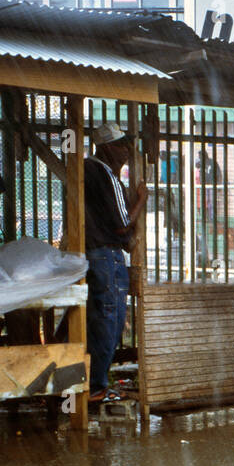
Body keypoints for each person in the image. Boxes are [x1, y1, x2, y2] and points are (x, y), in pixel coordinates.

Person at [84, 123, 147, 402]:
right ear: (108, 147)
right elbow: (122, 225)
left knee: (99, 320)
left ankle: (89, 383)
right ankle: (96, 387)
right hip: (107, 255)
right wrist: (142, 200)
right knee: (110, 321)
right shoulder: (104, 173)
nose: (126, 152)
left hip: (96, 253)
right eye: (121, 145)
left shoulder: (87, 170)